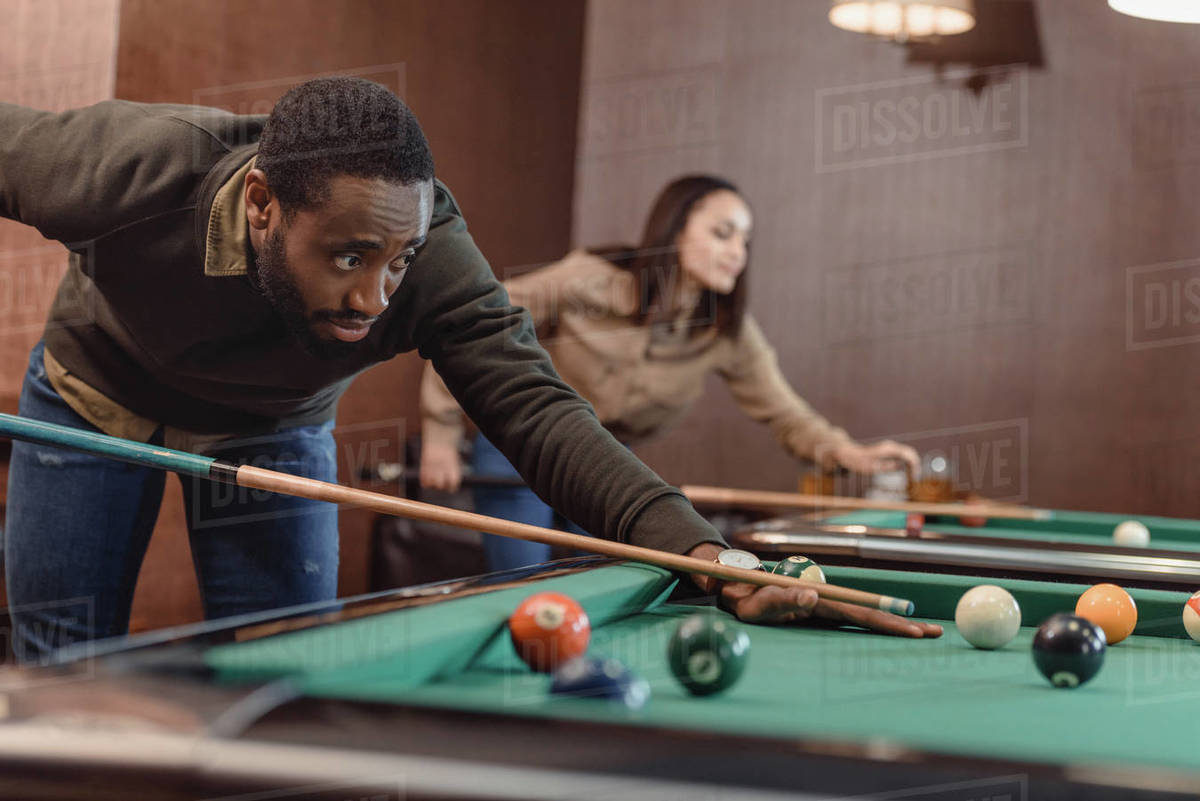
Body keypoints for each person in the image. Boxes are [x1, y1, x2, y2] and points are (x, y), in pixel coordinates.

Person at [0, 80, 938, 662]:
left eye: (396, 264)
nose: (375, 298)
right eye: (348, 256)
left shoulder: (433, 256)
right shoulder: (129, 166)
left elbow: (539, 411)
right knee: (61, 663)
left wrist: (711, 557)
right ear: (260, 204)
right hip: (92, 403)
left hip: (272, 427)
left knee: (286, 676)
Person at [420, 175, 920, 570]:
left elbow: (787, 413)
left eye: (745, 241)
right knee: (524, 583)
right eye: (722, 233)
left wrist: (849, 453)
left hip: (603, 459)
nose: (737, 253)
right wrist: (440, 436)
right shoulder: (589, 280)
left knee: (602, 574)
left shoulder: (725, 332)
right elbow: (474, 325)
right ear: (676, 228)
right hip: (518, 446)